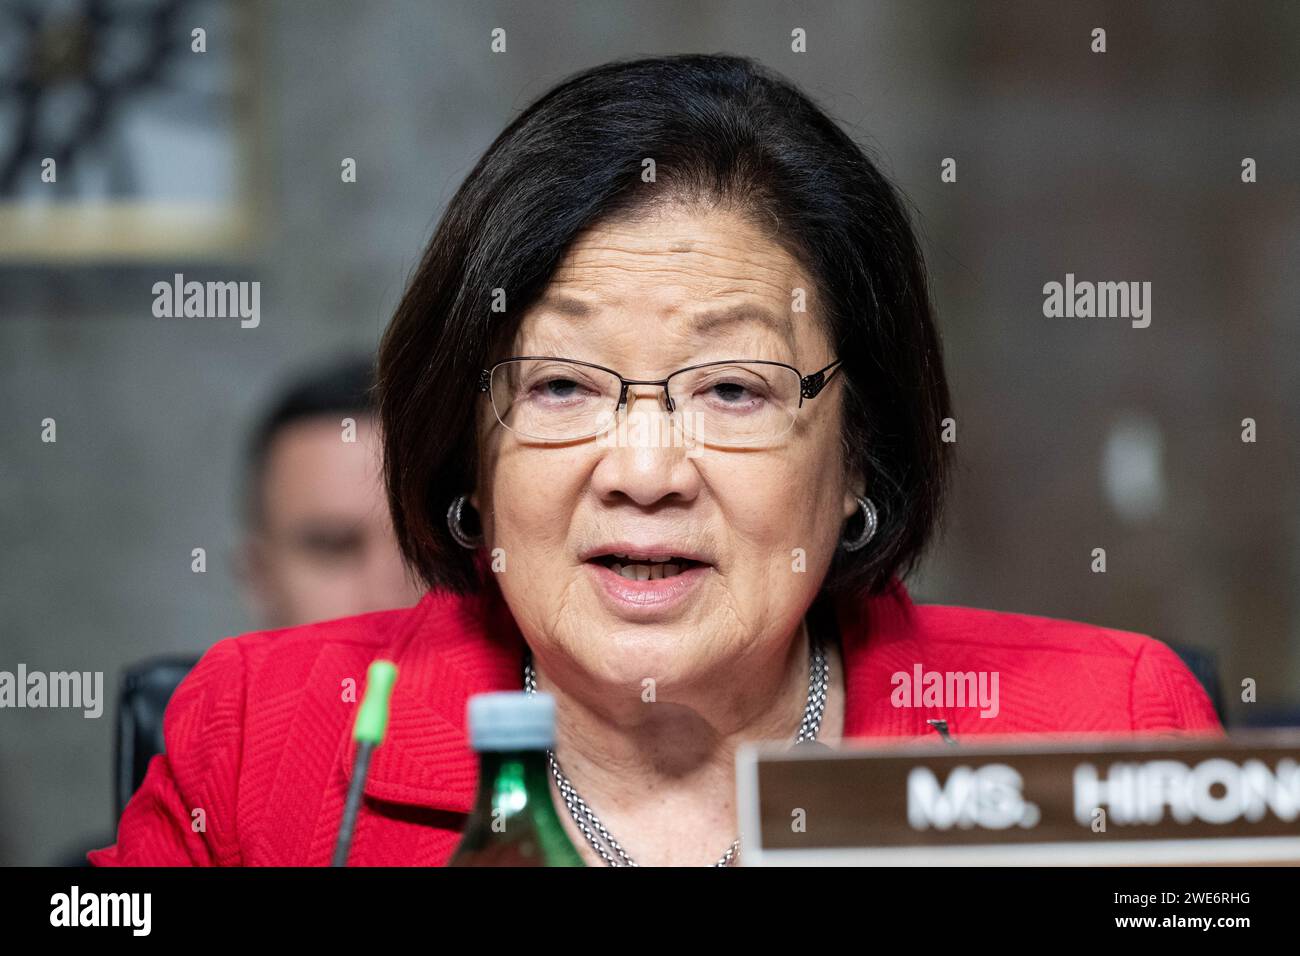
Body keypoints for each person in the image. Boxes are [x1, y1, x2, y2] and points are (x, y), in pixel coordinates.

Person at [89, 54, 1219, 868]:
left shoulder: (1105, 728)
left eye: (733, 388)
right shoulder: (261, 738)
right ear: (468, 450)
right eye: (561, 385)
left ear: (858, 453)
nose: (643, 469)